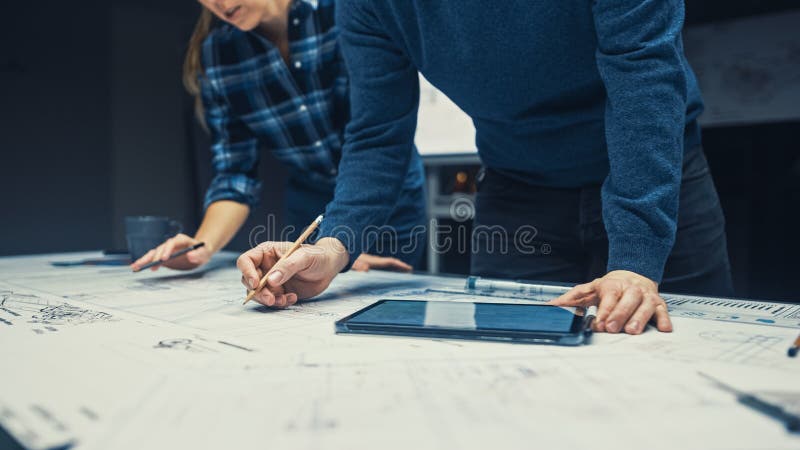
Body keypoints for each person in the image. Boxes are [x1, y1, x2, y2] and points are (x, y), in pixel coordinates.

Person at [237, 0, 735, 334]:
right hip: (519, 189)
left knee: (673, 363)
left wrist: (635, 260)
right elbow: (378, 133)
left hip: (656, 181)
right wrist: (332, 247)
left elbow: (644, 79)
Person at [131, 0, 427, 284]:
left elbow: (380, 136)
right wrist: (201, 246)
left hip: (385, 198)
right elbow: (235, 176)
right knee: (305, 310)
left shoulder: (344, 10)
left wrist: (342, 249)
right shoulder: (219, 56)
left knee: (379, 315)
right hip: (310, 204)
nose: (217, 3)